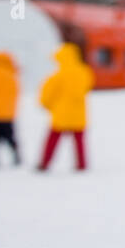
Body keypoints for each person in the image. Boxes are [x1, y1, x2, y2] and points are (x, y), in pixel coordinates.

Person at [37, 43, 94, 172]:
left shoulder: (59, 75)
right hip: (79, 113)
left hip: (61, 113)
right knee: (79, 142)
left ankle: (45, 163)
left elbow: (48, 93)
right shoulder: (84, 72)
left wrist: (46, 104)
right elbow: (87, 86)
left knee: (53, 140)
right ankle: (81, 164)